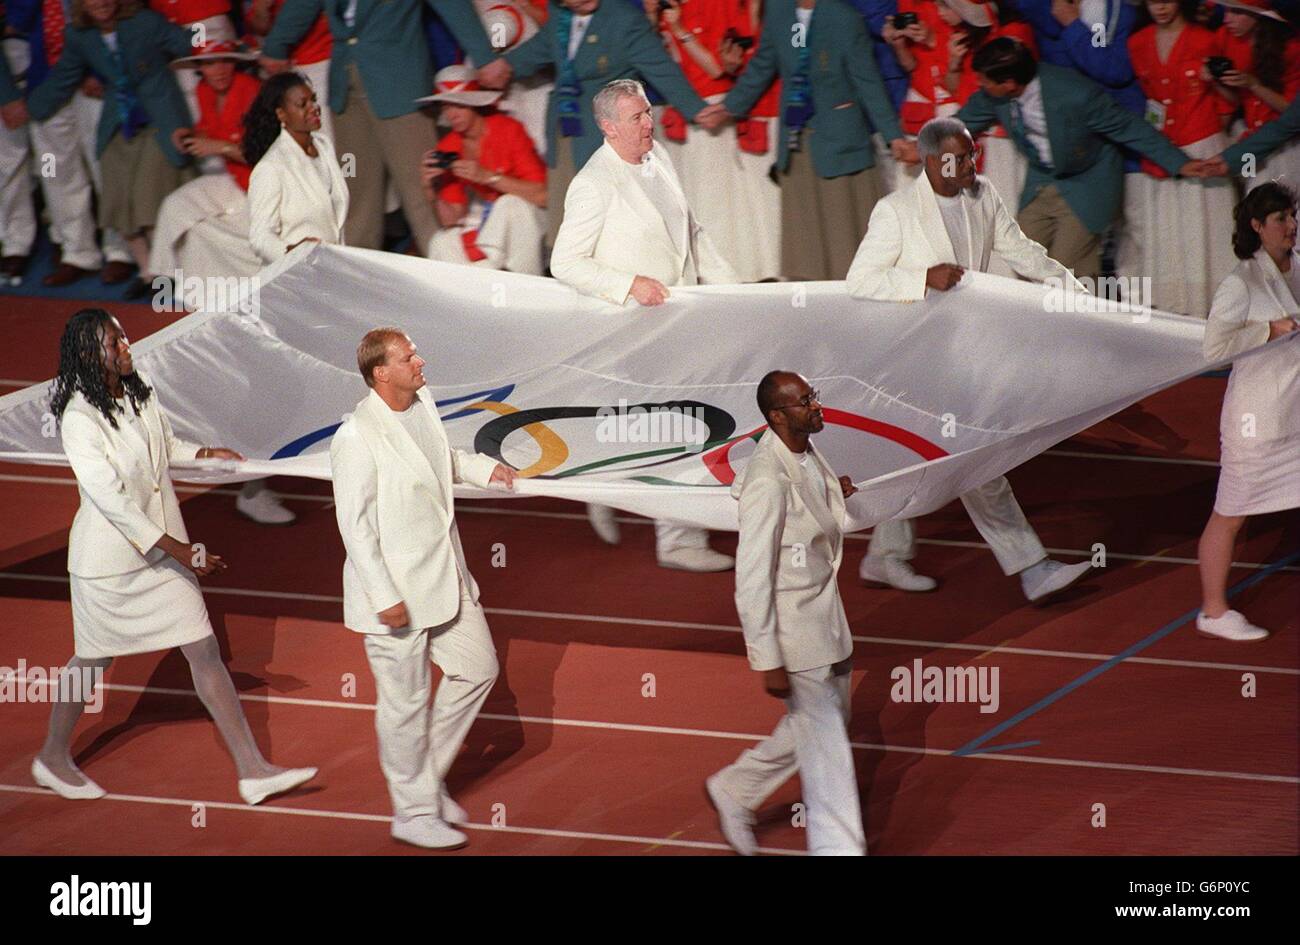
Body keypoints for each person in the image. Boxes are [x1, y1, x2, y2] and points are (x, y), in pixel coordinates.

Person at [34, 307, 317, 805]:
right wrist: (181, 550)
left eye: (124, 339)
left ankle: (253, 770)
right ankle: (53, 757)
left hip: (159, 552)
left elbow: (164, 446)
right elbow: (114, 502)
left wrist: (204, 455)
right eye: (115, 344)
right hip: (109, 565)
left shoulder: (136, 386)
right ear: (87, 354)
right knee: (92, 659)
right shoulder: (78, 418)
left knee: (204, 648)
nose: (127, 348)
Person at [846, 117, 1095, 600]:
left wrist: (1068, 285)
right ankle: (1031, 566)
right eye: (958, 158)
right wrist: (921, 277)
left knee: (939, 459)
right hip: (914, 359)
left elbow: (1020, 249)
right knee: (976, 461)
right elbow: (860, 280)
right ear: (930, 160)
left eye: (971, 155)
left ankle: (887, 556)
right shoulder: (896, 211)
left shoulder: (983, 196)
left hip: (964, 353)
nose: (969, 166)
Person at [329, 327, 517, 850]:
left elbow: (442, 460)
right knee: (405, 704)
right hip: (394, 597)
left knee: (478, 669)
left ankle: (424, 782)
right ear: (380, 373)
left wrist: (483, 469)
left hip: (446, 577)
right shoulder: (355, 436)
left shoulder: (422, 403)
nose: (421, 359)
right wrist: (383, 594)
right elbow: (355, 525)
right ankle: (410, 814)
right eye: (409, 356)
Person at [550, 77, 739, 572]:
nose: (649, 123)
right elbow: (565, 263)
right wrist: (628, 282)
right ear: (609, 128)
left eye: (648, 112)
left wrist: (737, 293)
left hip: (682, 319)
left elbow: (694, 234)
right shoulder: (592, 184)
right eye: (637, 117)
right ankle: (671, 533)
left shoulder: (660, 161)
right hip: (633, 326)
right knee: (672, 426)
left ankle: (617, 494)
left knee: (679, 423)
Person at [705, 371, 864, 856]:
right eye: (804, 401)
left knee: (825, 722)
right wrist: (766, 656)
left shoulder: (802, 452)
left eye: (813, 396)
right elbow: (751, 576)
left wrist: (832, 492)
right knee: (827, 746)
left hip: (826, 616)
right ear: (777, 416)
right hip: (796, 632)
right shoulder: (766, 481)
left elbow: (808, 506)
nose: (816, 405)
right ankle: (838, 847)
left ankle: (735, 788)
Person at [472, 0, 723, 246]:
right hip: (566, 130)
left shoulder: (623, 18)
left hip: (609, 133)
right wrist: (501, 67)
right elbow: (538, 50)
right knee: (569, 212)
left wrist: (697, 109)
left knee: (610, 213)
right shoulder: (561, 17)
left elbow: (661, 67)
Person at [956, 36, 1206, 282]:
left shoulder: (1076, 94)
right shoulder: (994, 96)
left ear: (1009, 84)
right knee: (1021, 256)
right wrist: (925, 144)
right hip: (1043, 181)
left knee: (1068, 270)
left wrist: (1180, 162)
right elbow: (959, 124)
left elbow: (1129, 127)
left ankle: (1086, 319)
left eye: (984, 80)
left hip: (1088, 182)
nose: (980, 85)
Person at [719, 0, 919, 281]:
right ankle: (811, 306)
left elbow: (867, 80)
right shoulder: (780, 12)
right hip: (797, 143)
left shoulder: (845, 18)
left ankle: (858, 303)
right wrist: (728, 107)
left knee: (845, 240)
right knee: (805, 247)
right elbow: (764, 64)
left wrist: (893, 137)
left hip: (841, 142)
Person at [25, 0, 198, 300]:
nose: (101, 3)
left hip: (159, 119)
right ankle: (148, 272)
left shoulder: (146, 21)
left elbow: (188, 43)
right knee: (117, 197)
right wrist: (28, 108)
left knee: (146, 196)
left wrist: (224, 46)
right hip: (117, 122)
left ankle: (168, 273)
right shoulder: (81, 36)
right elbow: (64, 76)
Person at [259, 0, 462, 252]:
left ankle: (449, 272)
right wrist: (278, 43)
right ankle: (358, 282)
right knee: (354, 197)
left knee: (423, 192)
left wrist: (485, 56)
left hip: (400, 86)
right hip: (346, 90)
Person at [1196, 182, 1300, 640]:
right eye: (1281, 219)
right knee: (1232, 514)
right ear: (1257, 227)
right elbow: (1213, 350)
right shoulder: (1240, 283)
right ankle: (1214, 612)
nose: (1292, 226)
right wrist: (1266, 331)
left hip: (1296, 413)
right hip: (1258, 421)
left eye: (1293, 216)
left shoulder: (1299, 268)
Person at [2, 0, 136, 287]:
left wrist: (98, 70)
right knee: (55, 171)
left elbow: (124, 15)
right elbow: (17, 19)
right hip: (44, 84)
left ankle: (121, 248)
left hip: (96, 81)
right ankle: (78, 252)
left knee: (105, 165)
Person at [1117, 0, 1237, 318]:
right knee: (1168, 229)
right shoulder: (1137, 41)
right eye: (1154, 1)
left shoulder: (1204, 39)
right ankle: (1174, 310)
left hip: (1202, 142)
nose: (1161, 8)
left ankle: (1215, 309)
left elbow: (1231, 100)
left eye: (1167, 0)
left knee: (1205, 229)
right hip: (1163, 148)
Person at [145, 40, 262, 286]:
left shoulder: (252, 90)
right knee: (176, 204)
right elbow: (209, 130)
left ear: (235, 63)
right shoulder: (204, 90)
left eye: (224, 61)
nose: (218, 70)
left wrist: (221, 147)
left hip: (260, 185)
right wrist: (189, 135)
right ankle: (160, 278)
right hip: (234, 177)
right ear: (200, 68)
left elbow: (268, 154)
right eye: (209, 63)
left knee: (206, 227)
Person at [417, 64, 547, 274]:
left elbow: (543, 196)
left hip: (529, 216)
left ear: (474, 105)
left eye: (459, 106)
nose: (452, 115)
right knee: (443, 240)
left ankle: (524, 288)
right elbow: (452, 218)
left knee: (509, 205)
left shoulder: (508, 129)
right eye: (447, 107)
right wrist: (430, 189)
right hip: (488, 219)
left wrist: (488, 177)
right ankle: (468, 299)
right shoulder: (449, 145)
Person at [245, 69, 347, 264]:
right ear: (281, 114)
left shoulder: (324, 145)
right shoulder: (271, 167)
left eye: (314, 99)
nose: (314, 107)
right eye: (302, 104)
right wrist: (292, 252)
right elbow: (259, 237)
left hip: (332, 268)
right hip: (297, 274)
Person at [1213, 0, 1300, 192]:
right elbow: (1234, 101)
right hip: (1249, 140)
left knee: (1282, 200)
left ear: (1259, 15)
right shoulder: (1224, 38)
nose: (1227, 19)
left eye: (1237, 12)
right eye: (1226, 11)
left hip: (1285, 145)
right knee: (1252, 195)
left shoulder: (1291, 48)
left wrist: (1254, 85)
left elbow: (1292, 113)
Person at [243, 0, 333, 141]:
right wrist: (261, 10)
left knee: (327, 138)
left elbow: (304, 7)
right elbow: (260, 28)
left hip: (321, 61)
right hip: (288, 69)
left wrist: (275, 48)